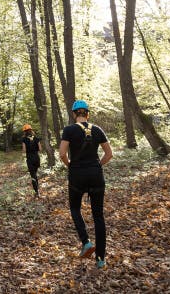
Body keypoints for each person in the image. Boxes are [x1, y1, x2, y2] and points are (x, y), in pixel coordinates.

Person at [59, 100, 113, 269]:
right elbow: (109, 154)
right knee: (98, 216)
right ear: (87, 114)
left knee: (75, 208)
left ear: (74, 114)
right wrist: (97, 166)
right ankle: (100, 259)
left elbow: (62, 154)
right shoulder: (97, 130)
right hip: (96, 175)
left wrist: (71, 165)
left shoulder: (69, 130)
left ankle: (86, 242)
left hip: (77, 176)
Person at [21, 124, 42, 197]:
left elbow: (24, 150)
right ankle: (37, 190)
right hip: (36, 158)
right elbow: (40, 149)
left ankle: (36, 192)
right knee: (35, 174)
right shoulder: (36, 138)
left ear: (24, 132)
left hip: (30, 159)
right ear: (31, 130)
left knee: (33, 175)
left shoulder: (24, 139)